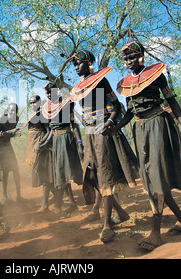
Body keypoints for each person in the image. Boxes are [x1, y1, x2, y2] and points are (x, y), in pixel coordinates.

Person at [114, 41, 181, 251]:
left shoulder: (156, 75)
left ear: (141, 56)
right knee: (152, 178)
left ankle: (156, 232)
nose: (128, 61)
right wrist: (117, 127)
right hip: (139, 130)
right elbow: (130, 112)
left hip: (159, 125)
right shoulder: (125, 83)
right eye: (125, 58)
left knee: (157, 177)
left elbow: (173, 102)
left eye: (132, 57)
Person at [69, 50, 139, 243]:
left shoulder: (100, 80)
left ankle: (107, 224)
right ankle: (121, 212)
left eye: (79, 64)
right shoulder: (79, 87)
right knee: (91, 175)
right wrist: (82, 142)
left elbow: (116, 106)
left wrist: (109, 123)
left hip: (103, 132)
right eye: (74, 65)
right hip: (89, 132)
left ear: (89, 63)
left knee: (105, 175)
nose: (76, 68)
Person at [41, 82, 83, 213]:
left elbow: (73, 125)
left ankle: (64, 203)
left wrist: (80, 143)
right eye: (46, 92)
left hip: (66, 139)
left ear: (56, 91)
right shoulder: (47, 107)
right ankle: (70, 203)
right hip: (55, 141)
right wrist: (45, 143)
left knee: (66, 171)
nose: (48, 94)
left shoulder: (65, 104)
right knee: (59, 172)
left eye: (50, 91)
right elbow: (50, 130)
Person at [25, 95, 54, 212]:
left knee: (45, 176)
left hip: (43, 150)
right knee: (42, 176)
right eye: (30, 103)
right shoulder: (33, 115)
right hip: (35, 149)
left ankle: (45, 205)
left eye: (34, 102)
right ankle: (57, 198)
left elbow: (49, 131)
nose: (32, 105)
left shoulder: (42, 114)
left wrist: (42, 143)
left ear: (39, 102)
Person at [0, 103, 24, 204]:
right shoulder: (2, 118)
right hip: (0, 147)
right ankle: (4, 197)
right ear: (7, 111)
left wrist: (16, 133)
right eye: (10, 111)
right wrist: (12, 132)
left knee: (16, 170)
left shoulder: (16, 119)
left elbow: (11, 134)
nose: (12, 113)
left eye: (14, 111)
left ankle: (19, 196)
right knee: (6, 172)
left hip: (8, 146)